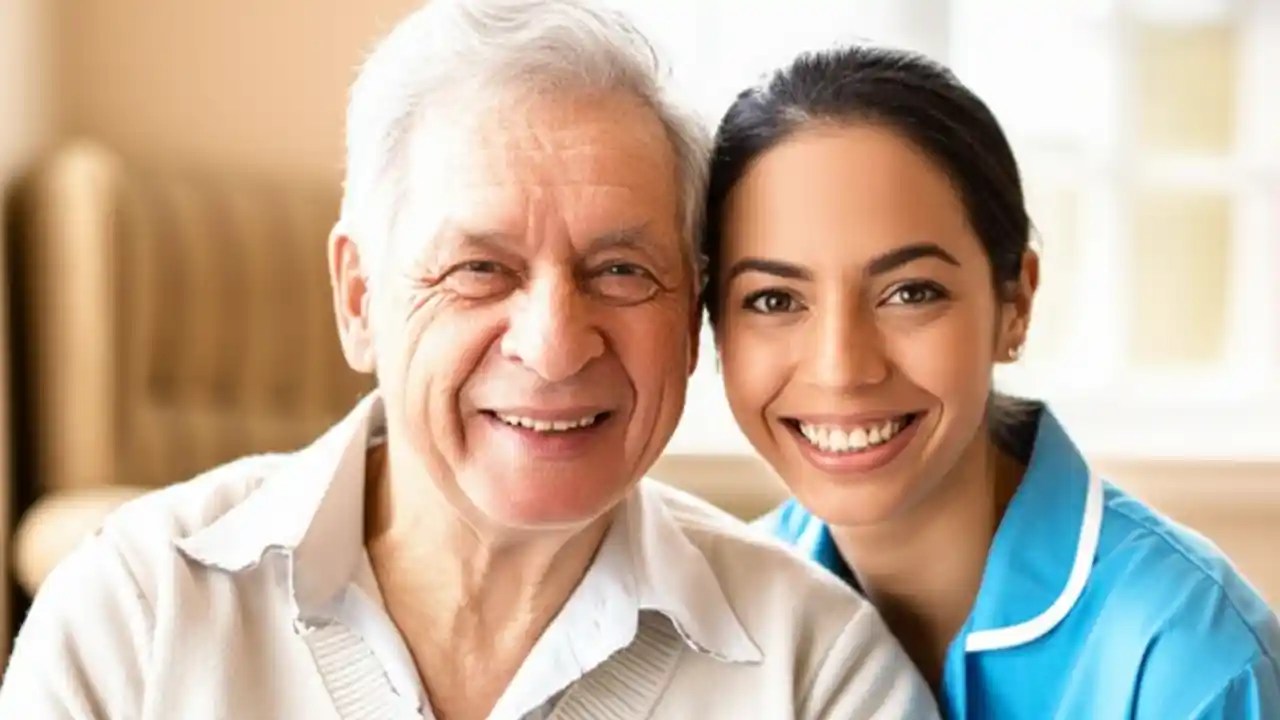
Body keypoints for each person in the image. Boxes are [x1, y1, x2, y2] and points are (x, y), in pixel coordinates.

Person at [0, 3, 941, 719]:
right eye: (479, 269)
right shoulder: (133, 615)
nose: (555, 342)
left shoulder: (821, 672)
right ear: (360, 298)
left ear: (692, 317)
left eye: (620, 270)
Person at [701, 43, 1280, 718]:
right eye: (774, 300)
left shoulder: (1192, 663)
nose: (842, 369)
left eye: (910, 292)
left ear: (1017, 304)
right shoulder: (716, 617)